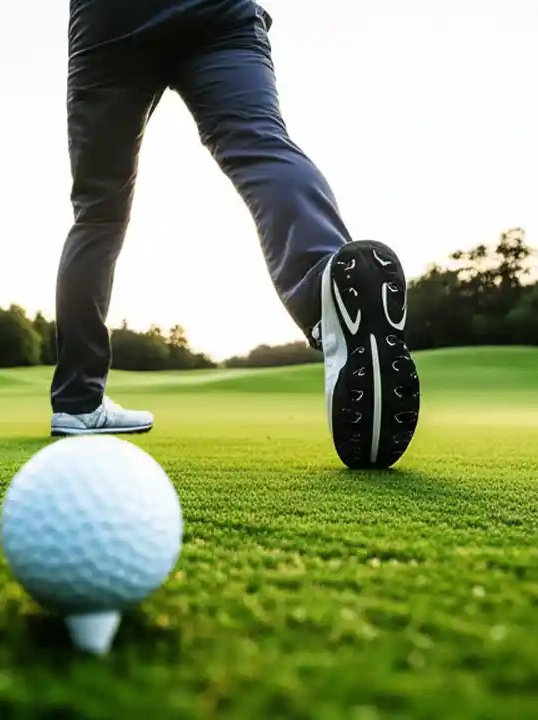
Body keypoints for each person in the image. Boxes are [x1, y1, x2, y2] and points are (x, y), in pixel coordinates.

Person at [47, 0, 419, 469]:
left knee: (97, 215)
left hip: (112, 17)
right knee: (261, 145)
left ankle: (79, 401)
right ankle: (324, 284)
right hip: (216, 13)